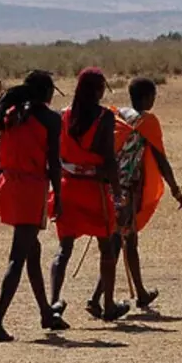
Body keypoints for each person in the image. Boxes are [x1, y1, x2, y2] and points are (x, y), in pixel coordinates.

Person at [86, 77, 182, 315]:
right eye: (153, 96)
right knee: (121, 243)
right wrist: (175, 188)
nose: (154, 100)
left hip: (108, 187)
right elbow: (161, 159)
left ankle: (139, 293)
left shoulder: (118, 115)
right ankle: (97, 299)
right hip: (124, 190)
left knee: (123, 242)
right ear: (146, 97)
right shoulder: (146, 121)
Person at [0, 72, 70, 342]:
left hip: (9, 182)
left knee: (32, 248)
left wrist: (0, 184)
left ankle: (46, 312)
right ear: (45, 92)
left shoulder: (10, 114)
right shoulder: (50, 119)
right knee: (18, 255)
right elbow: (54, 162)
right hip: (30, 187)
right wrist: (58, 194)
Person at [48, 68, 130, 322]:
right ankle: (107, 304)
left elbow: (57, 153)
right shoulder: (104, 117)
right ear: (96, 90)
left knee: (64, 248)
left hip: (68, 186)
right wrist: (117, 195)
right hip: (94, 189)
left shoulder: (64, 116)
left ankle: (54, 302)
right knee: (106, 246)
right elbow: (108, 159)